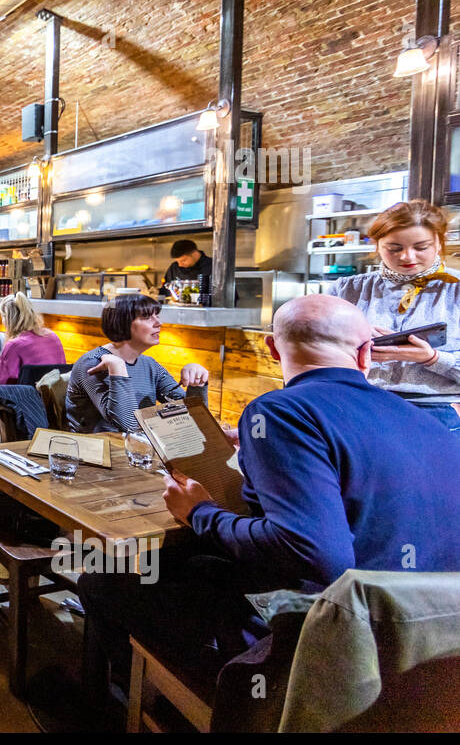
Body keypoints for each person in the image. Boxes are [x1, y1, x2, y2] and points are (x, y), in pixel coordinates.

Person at [78, 295, 460, 716]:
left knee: (104, 579)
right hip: (429, 651)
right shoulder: (425, 418)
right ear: (366, 353)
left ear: (272, 348)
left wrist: (199, 513)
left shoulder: (279, 410)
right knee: (192, 564)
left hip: (327, 646)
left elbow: (315, 553)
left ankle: (162, 706)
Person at [328, 199, 460, 437]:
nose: (407, 257)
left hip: (435, 410)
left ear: (439, 243)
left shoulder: (456, 290)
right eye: (394, 248)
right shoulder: (346, 290)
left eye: (421, 247)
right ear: (377, 245)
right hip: (360, 404)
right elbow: (318, 351)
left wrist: (432, 357)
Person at [66, 294, 209, 433]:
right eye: (147, 317)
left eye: (156, 316)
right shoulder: (92, 363)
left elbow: (195, 417)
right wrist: (118, 368)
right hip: (97, 451)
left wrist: (197, 384)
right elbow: (129, 425)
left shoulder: (149, 364)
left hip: (140, 449)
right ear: (122, 322)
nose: (159, 323)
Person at [0, 292, 65, 384]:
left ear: (8, 319)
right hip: (53, 397)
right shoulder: (53, 337)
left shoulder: (14, 346)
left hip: (22, 397)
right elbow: (63, 371)